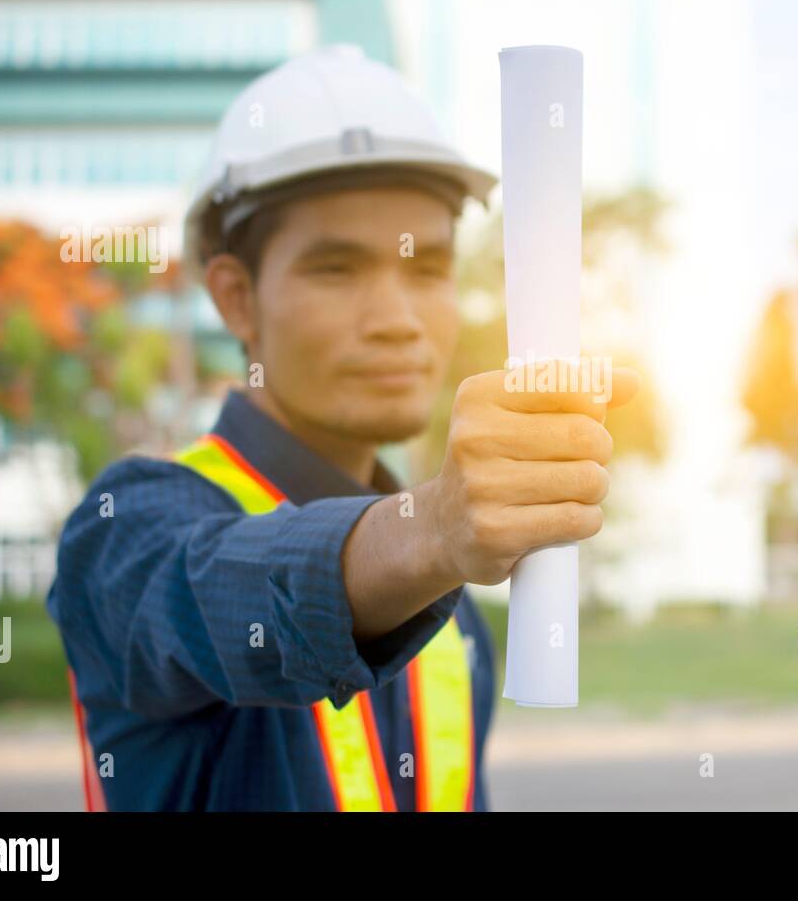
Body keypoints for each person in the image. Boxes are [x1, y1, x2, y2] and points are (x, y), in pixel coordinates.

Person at [46, 44, 638, 811]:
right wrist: (431, 529)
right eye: (337, 269)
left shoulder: (455, 619)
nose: (397, 320)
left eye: (425, 268)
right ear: (235, 298)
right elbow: (222, 592)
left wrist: (435, 543)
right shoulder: (125, 533)